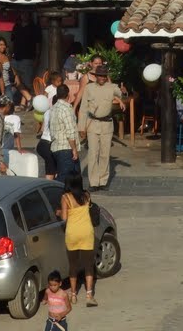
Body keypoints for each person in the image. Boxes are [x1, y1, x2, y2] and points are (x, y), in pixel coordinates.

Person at [78, 65, 123, 191]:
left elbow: (121, 93)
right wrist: (81, 127)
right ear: (96, 76)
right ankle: (93, 182)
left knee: (105, 154)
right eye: (100, 75)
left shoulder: (111, 87)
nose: (102, 78)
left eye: (104, 75)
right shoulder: (89, 88)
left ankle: (103, 181)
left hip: (107, 124)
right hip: (92, 123)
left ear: (106, 76)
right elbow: (83, 109)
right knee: (92, 154)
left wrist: (123, 91)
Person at [59, 174, 97, 307]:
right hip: (87, 232)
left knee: (73, 266)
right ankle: (89, 295)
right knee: (88, 265)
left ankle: (73, 295)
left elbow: (64, 218)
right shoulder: (86, 195)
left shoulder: (65, 198)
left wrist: (58, 212)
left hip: (73, 233)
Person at [50, 84, 81, 181]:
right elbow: (70, 132)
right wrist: (74, 149)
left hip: (55, 148)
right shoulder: (66, 109)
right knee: (67, 180)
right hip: (66, 148)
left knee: (63, 177)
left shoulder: (53, 108)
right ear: (68, 95)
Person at [0, 36, 33, 107]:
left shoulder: (6, 55)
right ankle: (27, 99)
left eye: (4, 45)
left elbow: (11, 67)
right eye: (1, 45)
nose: (3, 47)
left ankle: (28, 99)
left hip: (8, 83)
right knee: (7, 105)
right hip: (1, 84)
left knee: (20, 84)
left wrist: (16, 75)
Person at [10, 11, 41, 84]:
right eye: (23, 13)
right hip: (15, 59)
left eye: (26, 13)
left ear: (30, 15)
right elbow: (12, 42)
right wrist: (10, 56)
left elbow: (38, 44)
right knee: (15, 83)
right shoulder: (16, 26)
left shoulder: (35, 28)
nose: (24, 15)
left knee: (27, 84)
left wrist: (37, 58)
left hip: (28, 60)